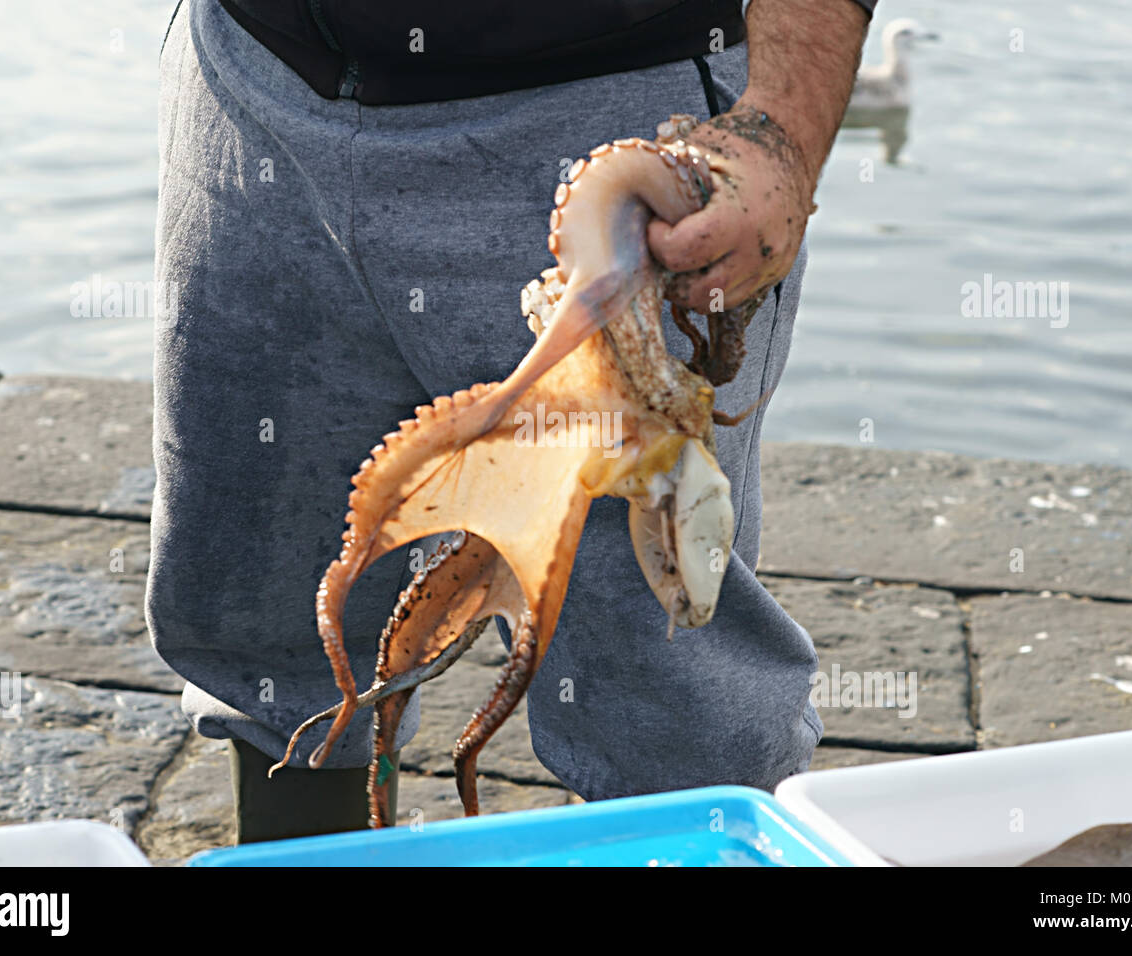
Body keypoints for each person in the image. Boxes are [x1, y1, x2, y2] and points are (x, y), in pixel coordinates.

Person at [147, 0, 874, 842]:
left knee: (662, 671)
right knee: (256, 599)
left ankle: (696, 841)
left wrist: (783, 124)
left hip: (616, 121)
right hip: (249, 85)